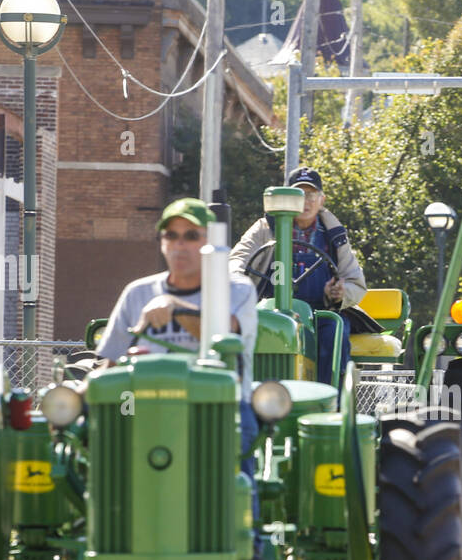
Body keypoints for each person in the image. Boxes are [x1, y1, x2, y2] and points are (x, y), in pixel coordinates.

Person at [94, 197, 260, 500]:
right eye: (171, 235)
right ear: (161, 241)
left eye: (191, 236)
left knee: (238, 480)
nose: (179, 244)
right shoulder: (138, 293)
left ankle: (249, 542)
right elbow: (109, 363)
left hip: (220, 408)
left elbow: (223, 333)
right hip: (143, 407)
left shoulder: (237, 289)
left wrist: (175, 307)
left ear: (211, 243)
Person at [230, 166, 367, 385]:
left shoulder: (334, 236)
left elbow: (355, 283)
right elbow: (236, 260)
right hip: (269, 309)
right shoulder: (264, 228)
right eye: (299, 194)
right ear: (287, 199)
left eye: (311, 195)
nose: (306, 201)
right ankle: (245, 395)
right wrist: (238, 281)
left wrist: (340, 292)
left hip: (318, 313)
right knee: (235, 330)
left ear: (321, 200)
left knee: (335, 331)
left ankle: (330, 402)